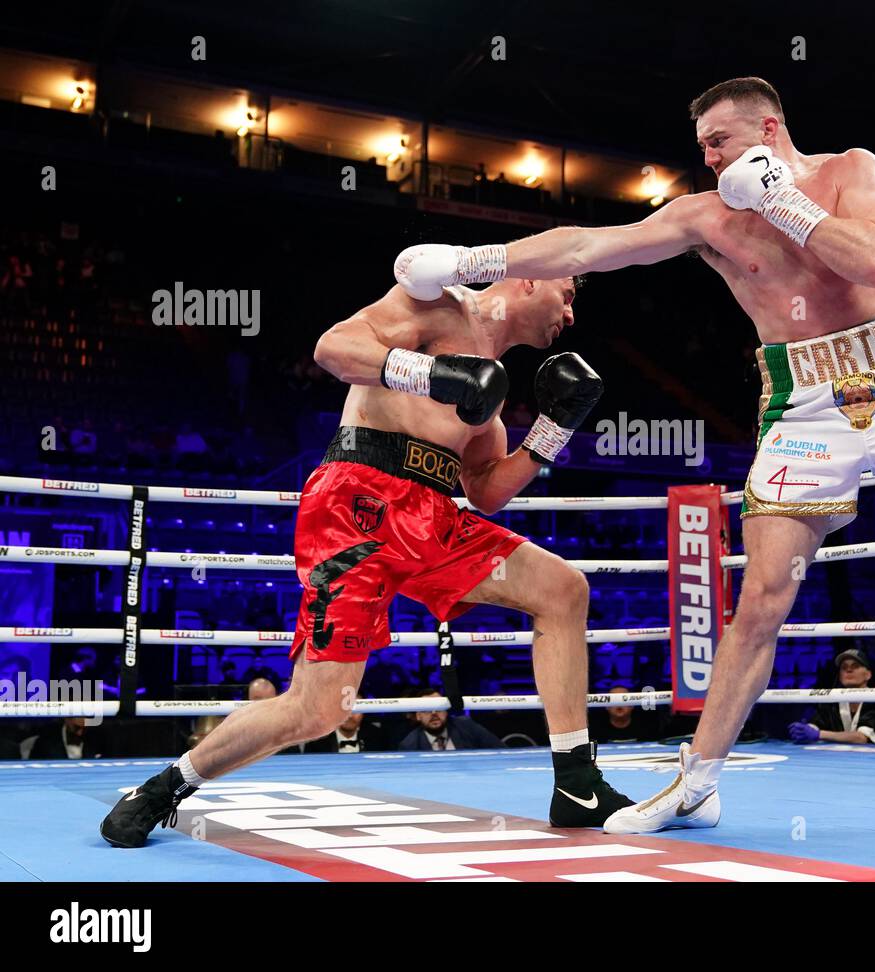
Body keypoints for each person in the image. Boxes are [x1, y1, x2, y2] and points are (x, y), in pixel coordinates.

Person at [391, 76, 875, 846]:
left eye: (718, 142)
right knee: (761, 599)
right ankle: (698, 782)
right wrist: (472, 258)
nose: (706, 157)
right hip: (800, 400)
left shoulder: (851, 170)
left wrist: (782, 202)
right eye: (699, 147)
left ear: (766, 129)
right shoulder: (706, 215)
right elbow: (596, 246)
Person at [100, 272, 632, 848]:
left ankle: (576, 782)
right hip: (357, 506)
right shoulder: (438, 308)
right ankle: (164, 786)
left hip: (433, 518)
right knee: (319, 708)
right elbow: (333, 348)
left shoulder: (492, 390)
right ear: (530, 280)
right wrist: (436, 372)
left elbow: (485, 492)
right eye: (569, 295)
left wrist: (555, 428)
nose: (571, 316)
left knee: (562, 588)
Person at [788, 648, 875, 745]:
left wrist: (819, 734)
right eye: (844, 667)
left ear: (868, 674)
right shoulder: (831, 701)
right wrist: (802, 730)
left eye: (855, 666)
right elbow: (816, 724)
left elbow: (861, 738)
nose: (849, 670)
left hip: (874, 759)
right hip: (836, 759)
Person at [397, 691, 501, 751]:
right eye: (427, 709)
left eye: (438, 707)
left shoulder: (466, 726)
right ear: (418, 716)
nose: (434, 713)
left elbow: (500, 749)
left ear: (446, 711)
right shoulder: (409, 745)